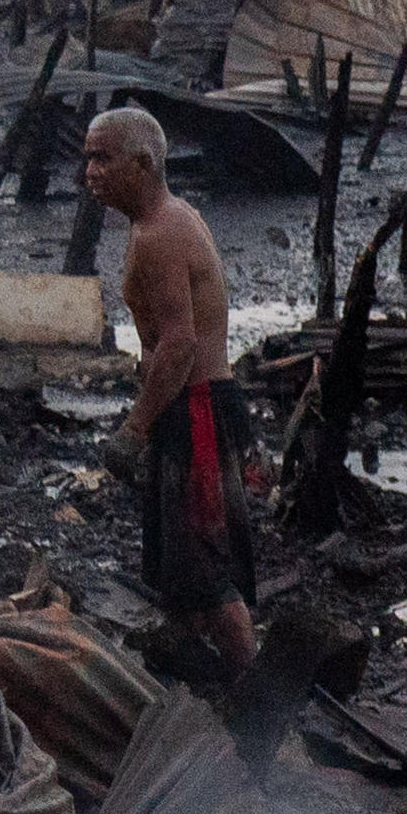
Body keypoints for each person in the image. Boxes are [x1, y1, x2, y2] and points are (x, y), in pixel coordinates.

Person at [85, 105, 259, 678]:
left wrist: (134, 429)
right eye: (88, 157)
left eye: (103, 158)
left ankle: (259, 712)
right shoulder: (159, 221)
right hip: (189, 407)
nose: (92, 170)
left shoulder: (160, 233)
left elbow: (180, 345)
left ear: (142, 163)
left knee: (208, 573)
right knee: (180, 570)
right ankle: (186, 693)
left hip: (198, 407)